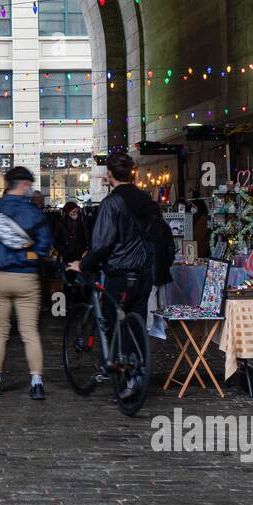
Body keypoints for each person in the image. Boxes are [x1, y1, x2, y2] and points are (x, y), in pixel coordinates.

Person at [68, 153, 153, 393]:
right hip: (144, 270)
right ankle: (139, 370)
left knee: (115, 323)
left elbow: (102, 242)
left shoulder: (111, 203)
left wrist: (83, 265)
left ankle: (126, 379)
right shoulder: (145, 198)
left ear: (109, 175)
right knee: (136, 323)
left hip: (121, 271)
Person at [0, 167, 52, 398]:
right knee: (29, 332)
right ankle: (36, 383)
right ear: (24, 185)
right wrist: (30, 256)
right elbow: (44, 245)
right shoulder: (35, 213)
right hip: (27, 278)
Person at [146, 201, 177, 289]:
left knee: (152, 295)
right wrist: (169, 262)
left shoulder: (144, 225)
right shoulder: (164, 225)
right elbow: (171, 246)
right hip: (163, 266)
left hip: (149, 267)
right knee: (162, 295)